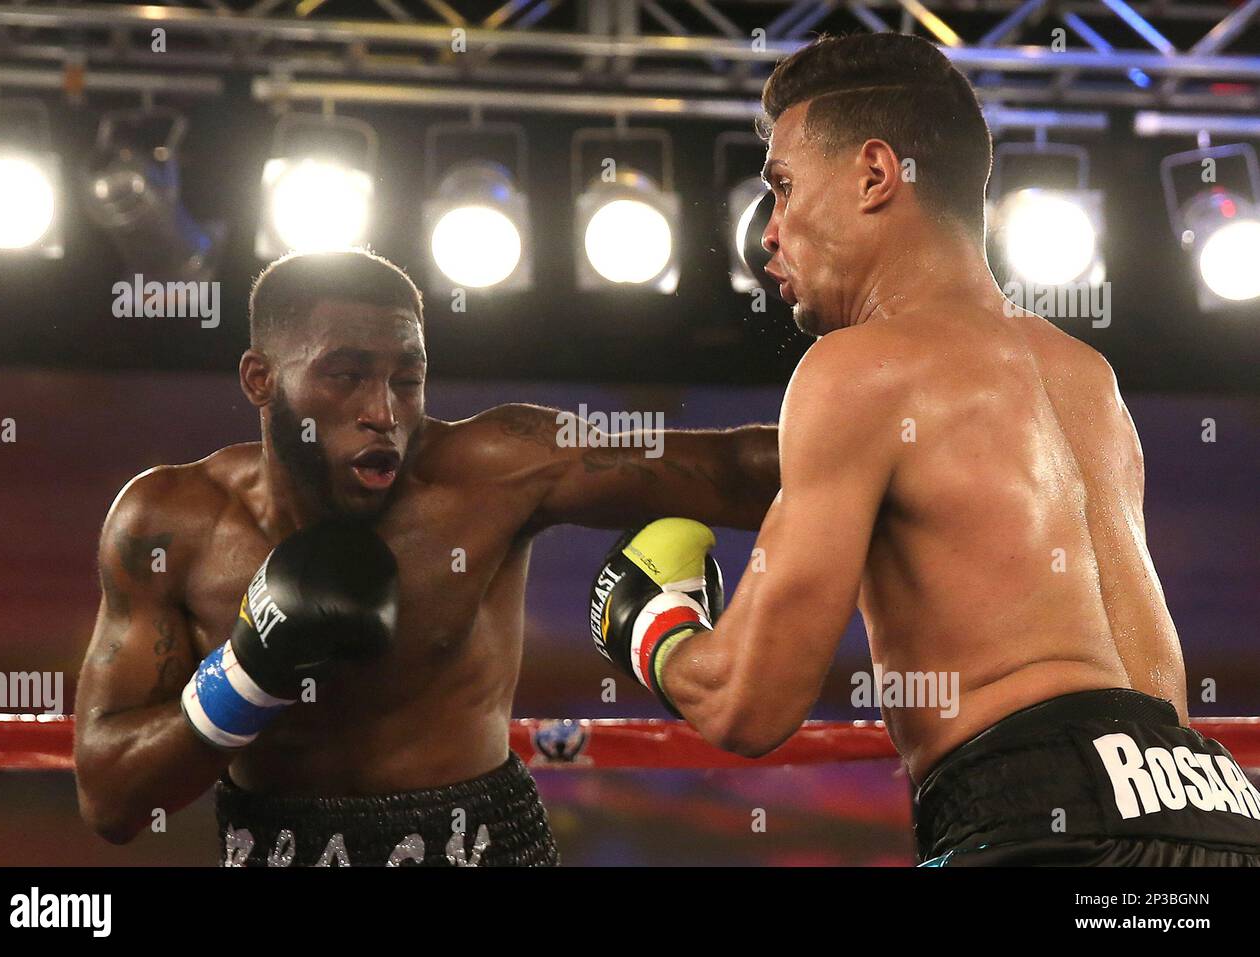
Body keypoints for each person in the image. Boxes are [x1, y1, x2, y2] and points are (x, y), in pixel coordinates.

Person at [588, 33, 1260, 866]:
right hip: (1213, 809)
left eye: (784, 187)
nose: (769, 233)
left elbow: (745, 704)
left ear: (875, 175)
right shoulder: (1089, 378)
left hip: (1036, 820)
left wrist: (654, 628)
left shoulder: (857, 368)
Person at [74, 247, 779, 866]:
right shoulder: (169, 524)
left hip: (483, 845)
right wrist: (248, 671)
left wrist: (879, 419)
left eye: (406, 379)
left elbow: (738, 469)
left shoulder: (495, 471)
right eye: (346, 375)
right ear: (260, 379)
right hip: (271, 846)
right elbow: (110, 799)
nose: (383, 409)